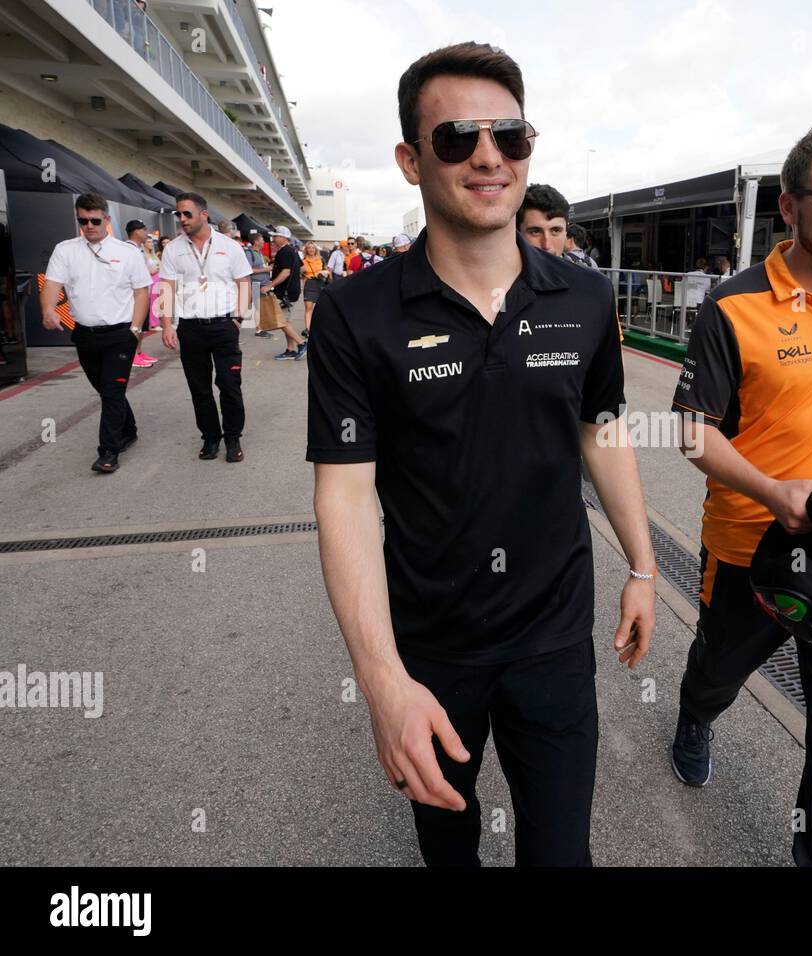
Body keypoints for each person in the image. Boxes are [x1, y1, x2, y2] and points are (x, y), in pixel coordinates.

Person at [308, 41, 656, 867]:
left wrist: (642, 567)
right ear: (410, 158)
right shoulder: (356, 312)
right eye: (458, 137)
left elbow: (602, 430)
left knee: (561, 854)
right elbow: (346, 498)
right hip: (433, 642)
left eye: (512, 135)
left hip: (555, 634)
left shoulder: (583, 294)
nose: (489, 156)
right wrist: (383, 682)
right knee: (449, 849)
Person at [668, 121, 812, 866]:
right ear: (788, 206)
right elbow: (692, 431)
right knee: (717, 673)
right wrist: (775, 491)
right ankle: (695, 716)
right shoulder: (733, 306)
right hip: (750, 554)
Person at [40, 193, 152, 474]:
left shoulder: (127, 253)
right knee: (105, 389)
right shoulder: (65, 250)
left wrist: (136, 330)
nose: (89, 225)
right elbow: (53, 284)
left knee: (112, 390)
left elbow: (141, 293)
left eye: (95, 220)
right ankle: (129, 429)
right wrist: (48, 310)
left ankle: (108, 452)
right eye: (83, 221)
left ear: (107, 219)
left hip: (119, 335)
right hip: (85, 335)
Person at [157, 192, 252, 463]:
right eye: (178, 214)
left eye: (187, 213)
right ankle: (211, 438)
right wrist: (167, 325)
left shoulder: (229, 246)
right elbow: (167, 289)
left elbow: (244, 282)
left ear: (203, 214)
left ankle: (233, 438)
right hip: (191, 328)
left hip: (224, 326)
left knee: (230, 385)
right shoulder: (174, 249)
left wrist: (237, 319)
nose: (182, 219)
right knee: (199, 388)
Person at [263, 226, 307, 360]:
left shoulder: (284, 252)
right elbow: (302, 268)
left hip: (285, 292)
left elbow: (286, 272)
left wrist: (270, 285)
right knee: (286, 321)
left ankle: (301, 343)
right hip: (291, 290)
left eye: (275, 236)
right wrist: (295, 279)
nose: (273, 239)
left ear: (283, 238)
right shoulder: (292, 250)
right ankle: (290, 349)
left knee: (281, 321)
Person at [124, 219, 160, 367]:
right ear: (136, 231)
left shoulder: (139, 249)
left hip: (143, 293)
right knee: (135, 326)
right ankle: (132, 354)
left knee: (141, 327)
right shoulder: (127, 249)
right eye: (144, 230)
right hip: (133, 296)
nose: (147, 233)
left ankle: (138, 352)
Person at [516, 183, 568, 256]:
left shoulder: (579, 267)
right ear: (518, 235)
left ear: (565, 235)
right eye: (535, 232)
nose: (546, 245)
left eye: (556, 231)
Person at [300, 241, 327, 336]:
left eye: (313, 248)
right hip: (309, 284)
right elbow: (300, 274)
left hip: (320, 284)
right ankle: (308, 329)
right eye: (309, 248)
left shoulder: (321, 259)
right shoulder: (303, 261)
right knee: (308, 308)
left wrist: (323, 273)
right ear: (306, 250)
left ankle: (319, 328)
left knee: (320, 308)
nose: (311, 249)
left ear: (315, 249)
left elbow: (326, 270)